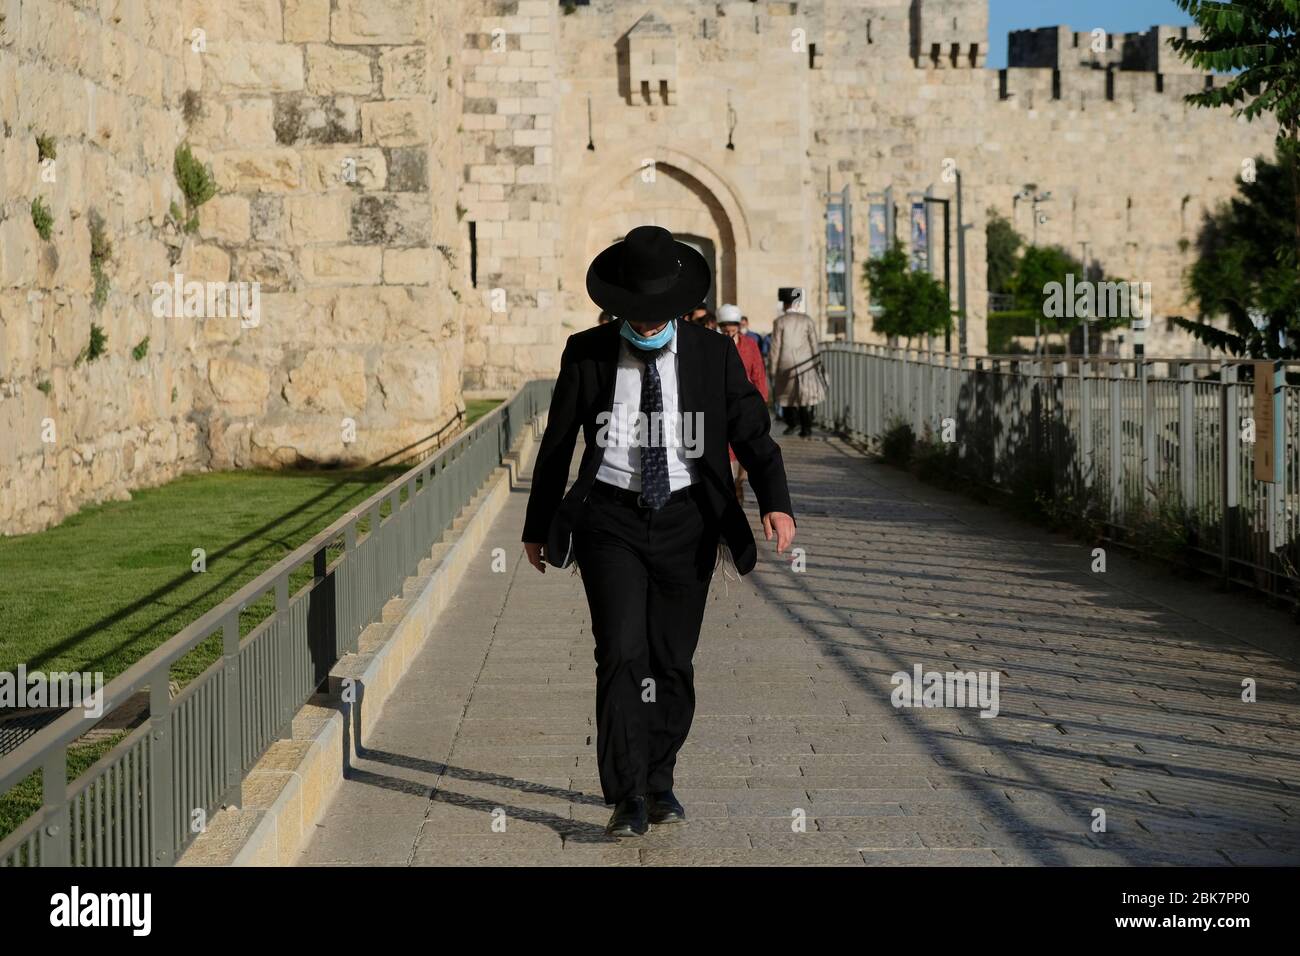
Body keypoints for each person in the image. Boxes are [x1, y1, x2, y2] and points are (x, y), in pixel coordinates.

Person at [521, 226, 796, 838]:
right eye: (635, 312)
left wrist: (776, 503)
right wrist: (538, 525)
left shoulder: (711, 353)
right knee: (621, 652)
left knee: (672, 661)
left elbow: (752, 430)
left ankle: (659, 779)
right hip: (609, 520)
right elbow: (558, 443)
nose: (645, 324)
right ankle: (626, 795)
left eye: (656, 312)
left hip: (686, 520)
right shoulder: (586, 352)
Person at [718, 304, 768, 502]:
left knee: (746, 445)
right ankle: (731, 487)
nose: (729, 332)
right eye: (725, 328)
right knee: (727, 447)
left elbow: (758, 373)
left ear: (738, 326)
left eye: (732, 328)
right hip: (722, 403)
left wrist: (761, 402)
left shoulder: (750, 345)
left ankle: (740, 481)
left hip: (745, 403)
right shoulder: (714, 344)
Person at [770, 287, 826, 438]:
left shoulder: (779, 322)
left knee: (786, 396)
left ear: (784, 304)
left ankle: (792, 424)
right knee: (804, 397)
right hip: (806, 363)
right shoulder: (807, 320)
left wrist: (772, 369)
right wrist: (818, 363)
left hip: (785, 364)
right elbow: (814, 344)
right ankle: (806, 428)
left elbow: (775, 347)